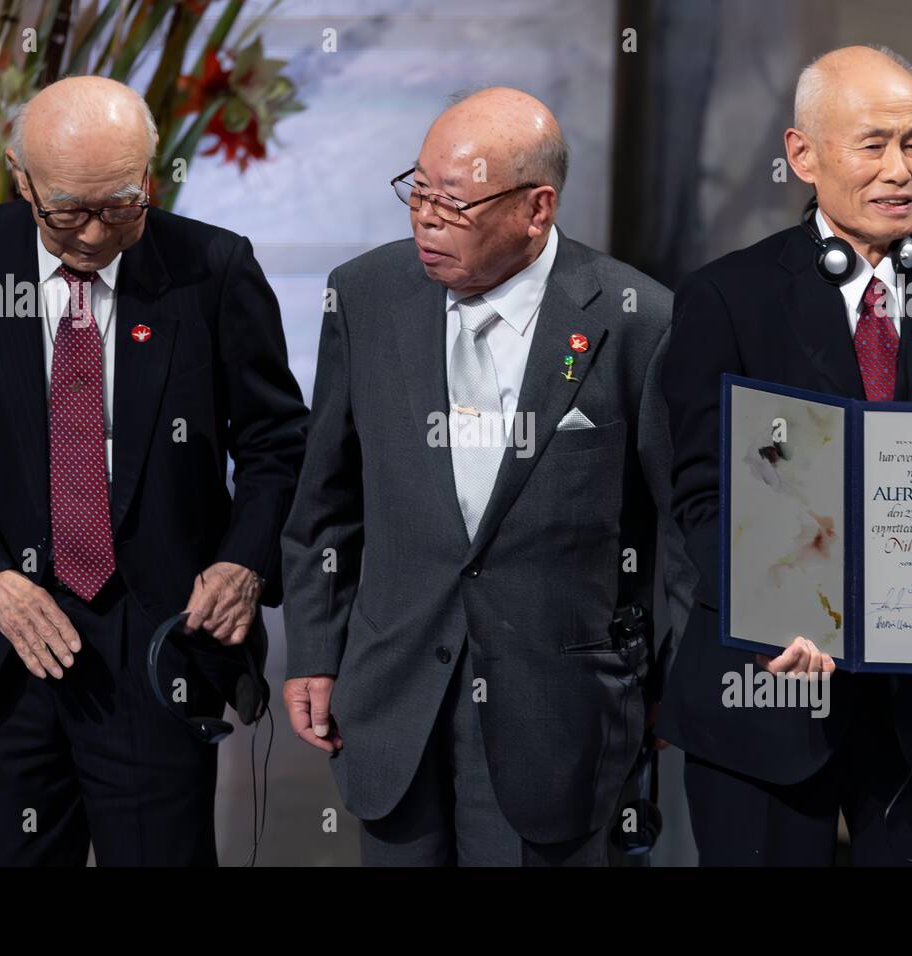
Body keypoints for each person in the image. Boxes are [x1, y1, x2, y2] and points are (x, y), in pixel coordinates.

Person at [0, 75, 308, 865]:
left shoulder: (210, 268)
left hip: (158, 639)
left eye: (118, 207)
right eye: (66, 210)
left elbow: (278, 441)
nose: (90, 234)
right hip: (15, 640)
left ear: (147, 177)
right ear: (22, 178)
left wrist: (244, 558)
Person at [657, 45, 912, 866]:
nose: (900, 169)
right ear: (803, 154)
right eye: (873, 143)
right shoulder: (726, 298)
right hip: (766, 699)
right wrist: (762, 613)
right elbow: (702, 493)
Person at [281, 87, 691, 866]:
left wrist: (674, 685)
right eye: (419, 191)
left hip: (558, 719)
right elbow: (323, 500)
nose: (427, 218)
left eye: (455, 202)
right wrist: (313, 647)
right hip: (394, 701)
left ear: (537, 209)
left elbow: (682, 526)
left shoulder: (637, 320)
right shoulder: (364, 295)